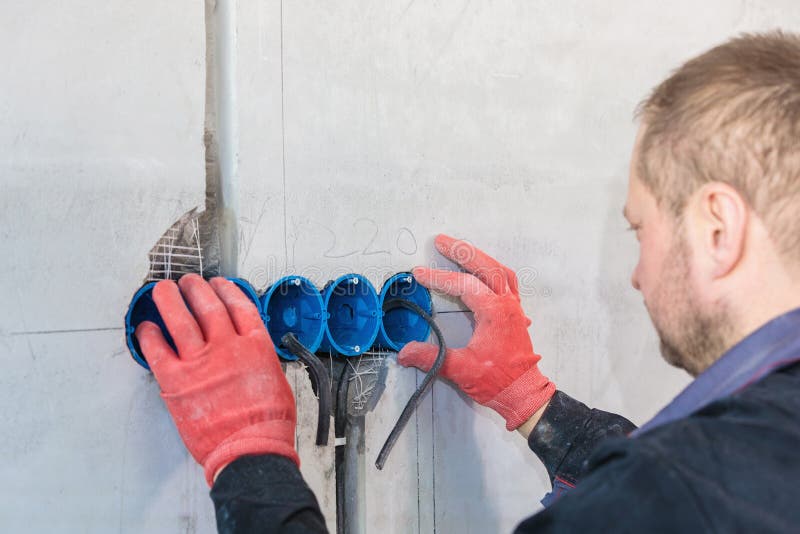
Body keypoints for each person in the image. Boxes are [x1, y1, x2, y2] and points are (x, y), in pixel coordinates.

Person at [135, 31, 800, 533]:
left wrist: (249, 459)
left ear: (719, 228)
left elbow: (674, 499)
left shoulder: (673, 494)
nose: (635, 275)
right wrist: (534, 402)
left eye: (640, 230)